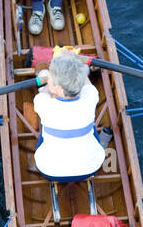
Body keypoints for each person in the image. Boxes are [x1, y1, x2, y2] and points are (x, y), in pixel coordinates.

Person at [34, 52, 106, 181]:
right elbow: (84, 80)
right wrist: (73, 63)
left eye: (50, 78)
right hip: (91, 168)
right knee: (91, 127)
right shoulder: (92, 95)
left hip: (49, 171)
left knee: (45, 130)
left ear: (60, 89)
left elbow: (45, 91)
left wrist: (49, 86)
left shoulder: (41, 102)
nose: (49, 79)